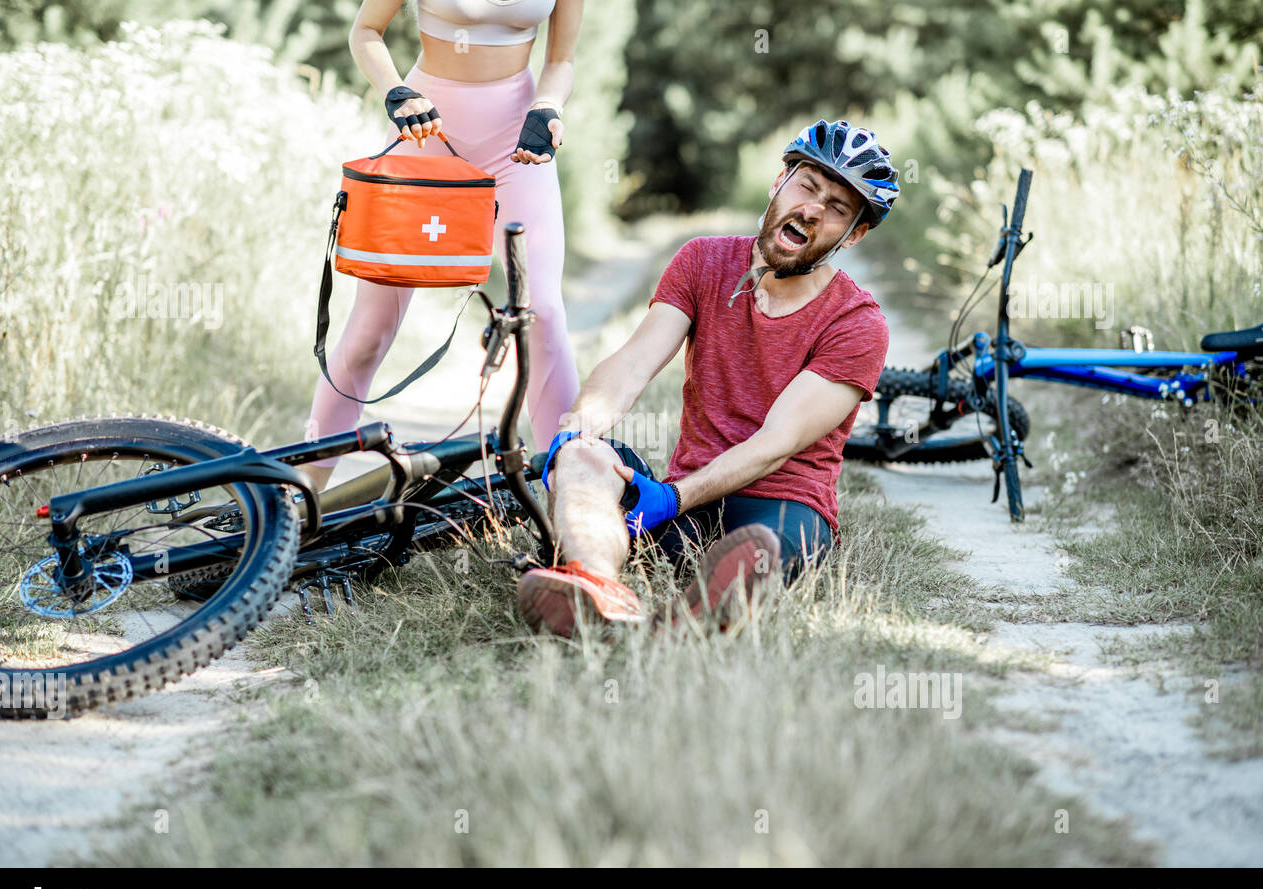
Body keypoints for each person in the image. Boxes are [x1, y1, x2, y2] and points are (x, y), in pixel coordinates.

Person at [516, 120, 901, 637]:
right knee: (585, 456)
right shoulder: (703, 261)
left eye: (837, 208)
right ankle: (593, 586)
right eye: (807, 186)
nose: (812, 209)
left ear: (853, 235)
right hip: (691, 498)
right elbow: (634, 364)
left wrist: (672, 499)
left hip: (784, 507)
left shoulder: (857, 323)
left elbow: (776, 443)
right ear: (779, 183)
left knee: (756, 552)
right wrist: (577, 431)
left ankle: (683, 622)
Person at [303, 0, 583, 491]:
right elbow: (366, 30)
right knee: (371, 329)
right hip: (423, 131)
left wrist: (549, 107)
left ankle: (573, 497)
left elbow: (561, 61)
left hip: (517, 141)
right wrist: (395, 90)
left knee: (542, 313)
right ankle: (301, 500)